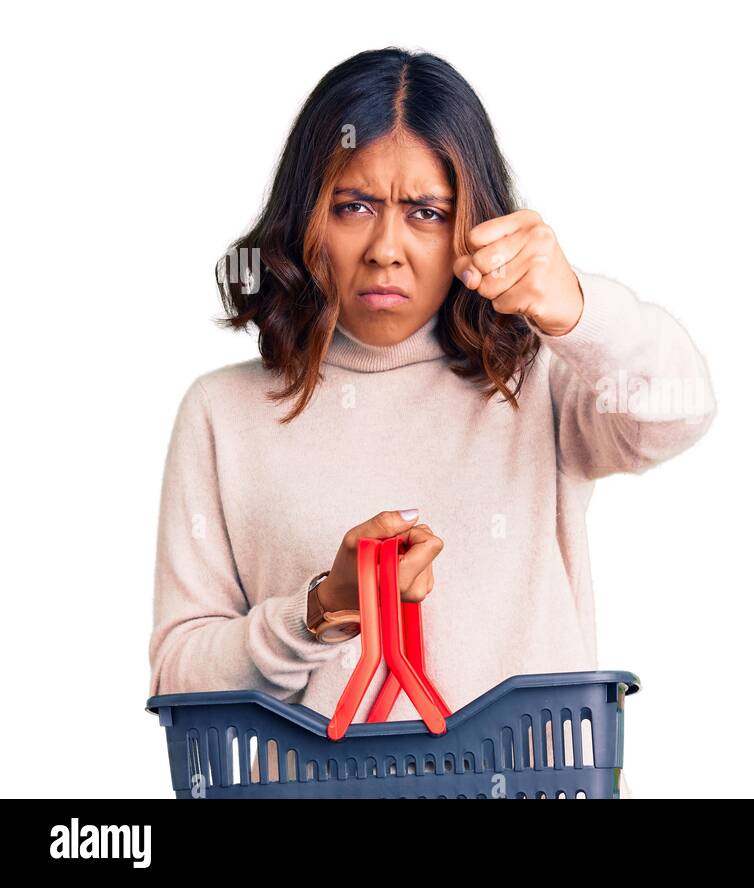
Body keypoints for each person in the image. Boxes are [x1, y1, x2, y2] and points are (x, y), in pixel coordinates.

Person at [147, 47, 716, 798]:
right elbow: (180, 676)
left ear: (469, 229)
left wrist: (577, 308)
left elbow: (678, 410)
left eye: (426, 213)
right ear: (306, 217)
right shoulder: (222, 413)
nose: (386, 250)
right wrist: (321, 609)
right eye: (353, 206)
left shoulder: (539, 381)